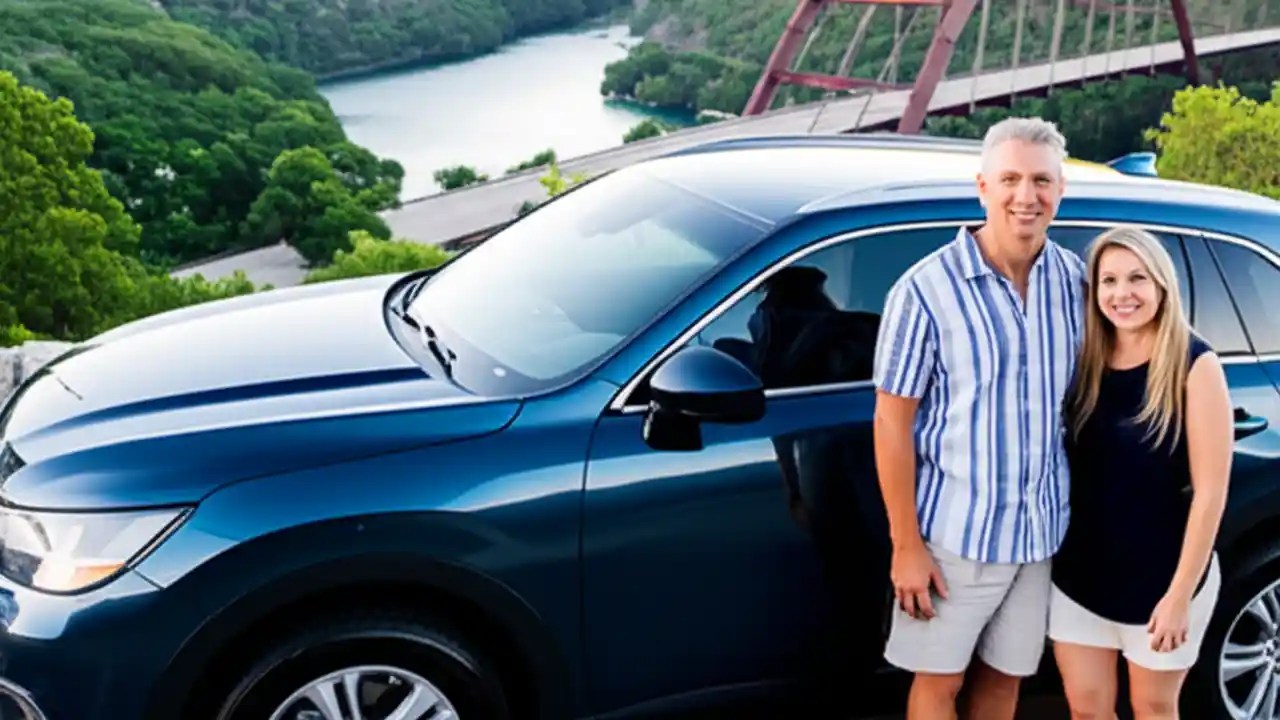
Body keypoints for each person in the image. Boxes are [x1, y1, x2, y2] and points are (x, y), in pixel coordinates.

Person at [871, 116, 1087, 720]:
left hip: (1039, 535)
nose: (1027, 196)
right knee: (937, 686)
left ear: (1060, 191)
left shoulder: (1074, 281)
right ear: (983, 187)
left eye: (1042, 181)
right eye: (1011, 179)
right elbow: (892, 422)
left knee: (1004, 683)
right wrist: (906, 544)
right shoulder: (925, 291)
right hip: (954, 540)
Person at [1049, 226, 1233, 719]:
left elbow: (1211, 493)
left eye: (1136, 279)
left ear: (1161, 285)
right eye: (1108, 280)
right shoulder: (1083, 356)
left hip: (1163, 580)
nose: (1121, 294)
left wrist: (1177, 597)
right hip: (1078, 578)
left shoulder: (1195, 364)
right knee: (1087, 709)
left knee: (1153, 708)